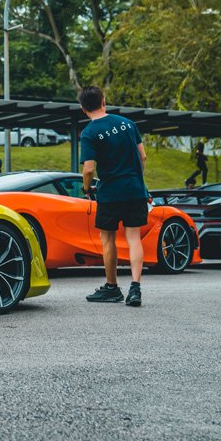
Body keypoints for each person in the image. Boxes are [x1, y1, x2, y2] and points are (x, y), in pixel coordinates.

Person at [79, 86, 148, 308]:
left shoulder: (89, 133)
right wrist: (136, 180)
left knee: (108, 240)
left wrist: (87, 188)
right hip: (135, 190)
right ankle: (135, 287)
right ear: (104, 101)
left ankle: (112, 287)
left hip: (110, 193)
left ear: (83, 109)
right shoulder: (128, 124)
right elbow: (143, 156)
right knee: (133, 238)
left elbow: (89, 169)